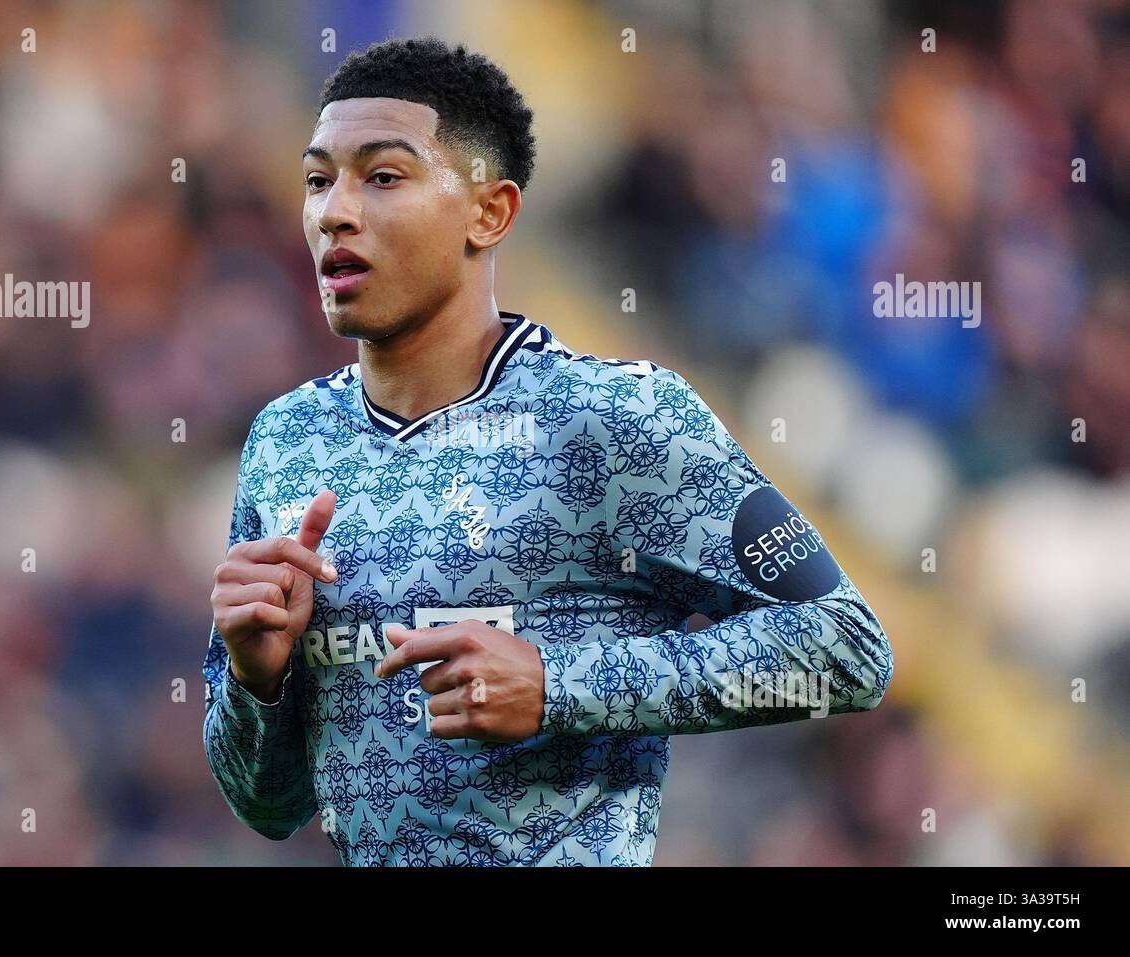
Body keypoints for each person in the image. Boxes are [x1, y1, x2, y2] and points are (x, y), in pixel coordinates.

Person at [202, 36, 893, 866]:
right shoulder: (287, 441)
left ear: (489, 213)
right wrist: (256, 679)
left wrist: (558, 684)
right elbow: (267, 805)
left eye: (382, 176)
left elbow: (845, 648)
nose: (334, 212)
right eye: (318, 181)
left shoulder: (612, 416)